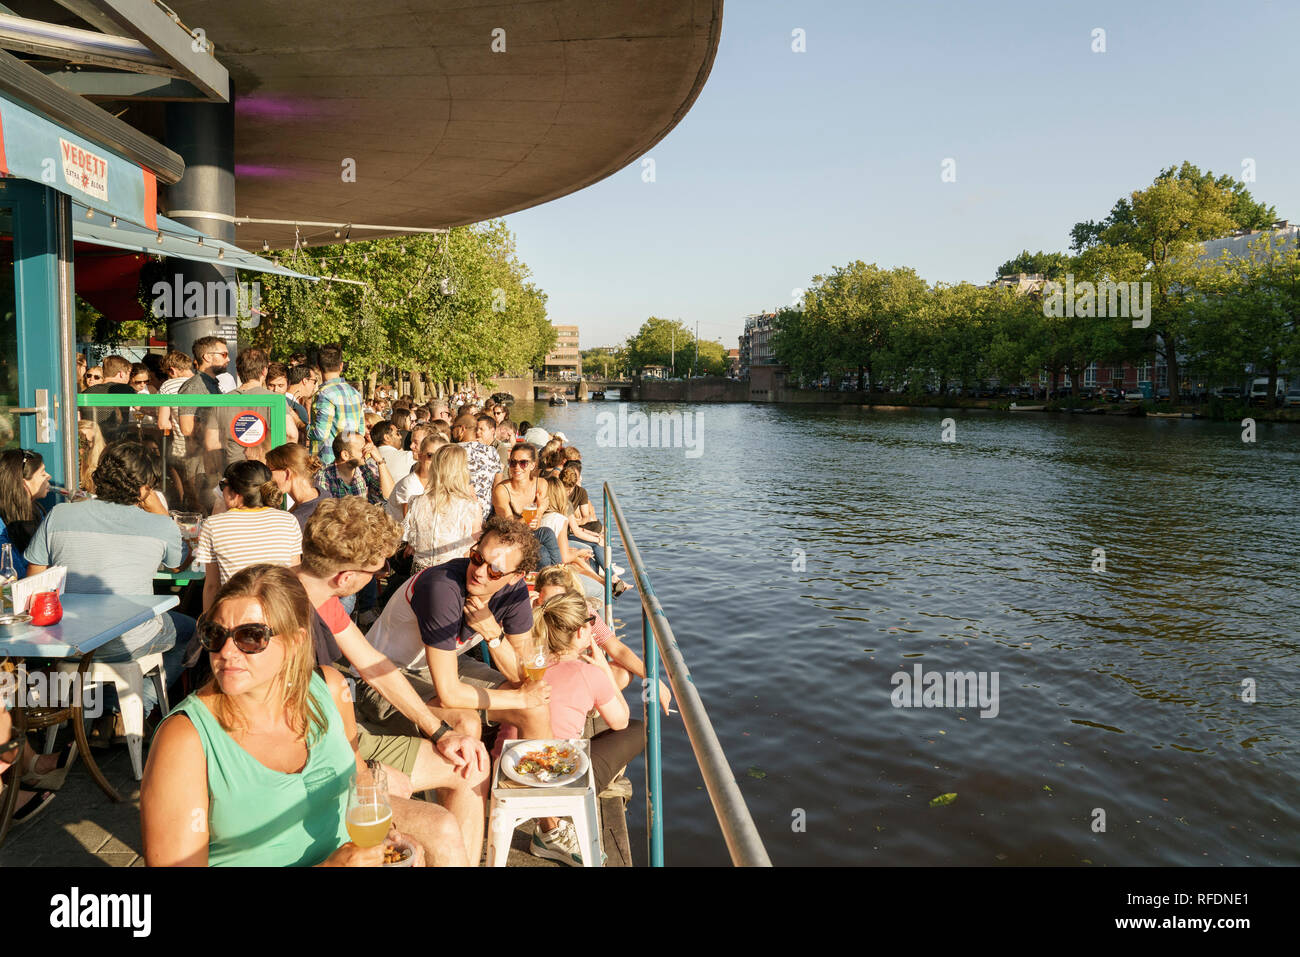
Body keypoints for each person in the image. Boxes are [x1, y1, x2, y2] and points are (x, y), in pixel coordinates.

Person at [141, 564, 466, 866]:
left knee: (442, 829)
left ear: (296, 642)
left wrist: (387, 836)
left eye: (250, 637)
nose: (226, 652)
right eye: (215, 634)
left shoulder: (329, 688)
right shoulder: (186, 739)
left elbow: (359, 774)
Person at [294, 498, 489, 861]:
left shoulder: (317, 592)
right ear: (346, 577)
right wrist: (366, 773)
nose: (383, 574)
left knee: (468, 766)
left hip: (341, 734)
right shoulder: (285, 615)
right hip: (316, 754)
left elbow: (372, 664)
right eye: (377, 569)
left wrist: (439, 732)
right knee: (439, 825)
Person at [23, 441, 195, 716]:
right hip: (130, 640)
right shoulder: (160, 525)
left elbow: (34, 583)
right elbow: (178, 564)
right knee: (191, 630)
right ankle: (129, 710)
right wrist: (159, 511)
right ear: (144, 488)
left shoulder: (59, 514)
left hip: (68, 639)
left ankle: (101, 714)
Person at [357, 517, 551, 746]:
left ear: (517, 576)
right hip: (380, 676)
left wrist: (493, 635)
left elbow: (524, 674)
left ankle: (536, 777)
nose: (479, 572)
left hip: (438, 665)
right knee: (465, 723)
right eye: (477, 558)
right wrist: (519, 698)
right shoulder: (442, 588)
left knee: (535, 708)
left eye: (495, 571)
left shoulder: (514, 593)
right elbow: (449, 694)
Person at [521, 589, 644, 864]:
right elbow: (621, 720)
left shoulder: (531, 663)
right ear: (580, 633)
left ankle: (549, 824)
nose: (593, 628)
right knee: (637, 730)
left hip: (514, 765)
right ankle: (571, 805)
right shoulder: (588, 673)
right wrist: (602, 666)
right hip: (548, 776)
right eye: (590, 623)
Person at [534, 566, 670, 714]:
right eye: (547, 601)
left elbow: (617, 648)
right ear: (537, 596)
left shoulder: (583, 614)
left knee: (622, 674)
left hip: (572, 676)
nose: (554, 607)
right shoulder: (528, 616)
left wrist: (653, 679)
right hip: (539, 681)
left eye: (560, 600)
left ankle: (582, 708)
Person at [194, 460, 302, 611]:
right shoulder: (289, 520)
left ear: (234, 494)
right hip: (279, 612)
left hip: (235, 615)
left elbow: (212, 586)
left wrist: (207, 624)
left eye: (222, 487)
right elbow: (294, 576)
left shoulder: (213, 525)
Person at [205, 346, 294, 463]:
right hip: (266, 468)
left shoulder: (221, 402)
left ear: (238, 372)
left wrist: (236, 438)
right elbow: (291, 435)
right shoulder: (276, 399)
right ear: (264, 371)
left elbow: (210, 443)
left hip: (234, 470)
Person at [403, 444, 482, 574]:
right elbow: (471, 548)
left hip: (420, 573)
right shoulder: (470, 507)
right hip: (451, 573)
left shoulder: (416, 501)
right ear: (462, 471)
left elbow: (411, 539)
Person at [175, 336, 229, 511]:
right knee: (203, 511)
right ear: (207, 356)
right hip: (200, 466)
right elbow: (187, 428)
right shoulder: (194, 387)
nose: (228, 359)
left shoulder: (211, 384)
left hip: (212, 462)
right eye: (223, 354)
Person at [310, 344, 363, 465]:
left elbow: (321, 434)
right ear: (341, 366)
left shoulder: (324, 394)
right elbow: (361, 431)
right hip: (351, 458)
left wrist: (303, 427)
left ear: (318, 367)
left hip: (328, 461)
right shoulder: (355, 393)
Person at [0, 449, 49, 578]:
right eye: (43, 473)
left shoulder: (37, 510)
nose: (48, 476)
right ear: (24, 482)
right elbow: (13, 574)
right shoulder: (2, 526)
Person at [318, 430, 394, 507]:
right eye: (362, 449)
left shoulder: (365, 470)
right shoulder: (324, 476)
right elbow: (323, 512)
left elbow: (390, 495)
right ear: (345, 455)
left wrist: (380, 461)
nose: (367, 452)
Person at [451, 413, 500, 519]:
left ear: (462, 429)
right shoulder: (492, 451)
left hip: (457, 512)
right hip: (485, 513)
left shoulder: (451, 452)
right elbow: (497, 485)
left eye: (453, 427)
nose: (451, 431)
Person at [265, 442, 325, 528]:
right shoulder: (322, 493)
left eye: (269, 471)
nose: (267, 477)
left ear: (287, 474)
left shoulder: (297, 522)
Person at [387, 432, 444, 522]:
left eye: (441, 456)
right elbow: (411, 525)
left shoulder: (441, 481)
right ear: (420, 457)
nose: (436, 460)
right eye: (430, 456)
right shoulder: (408, 485)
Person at [79, 354, 135, 439]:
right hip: (116, 444)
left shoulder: (86, 392)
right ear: (121, 374)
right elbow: (140, 406)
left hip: (92, 441)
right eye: (128, 374)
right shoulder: (126, 389)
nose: (129, 378)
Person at [285, 365, 316, 441]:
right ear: (305, 381)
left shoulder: (276, 401)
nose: (314, 386)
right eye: (314, 381)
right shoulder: (299, 409)